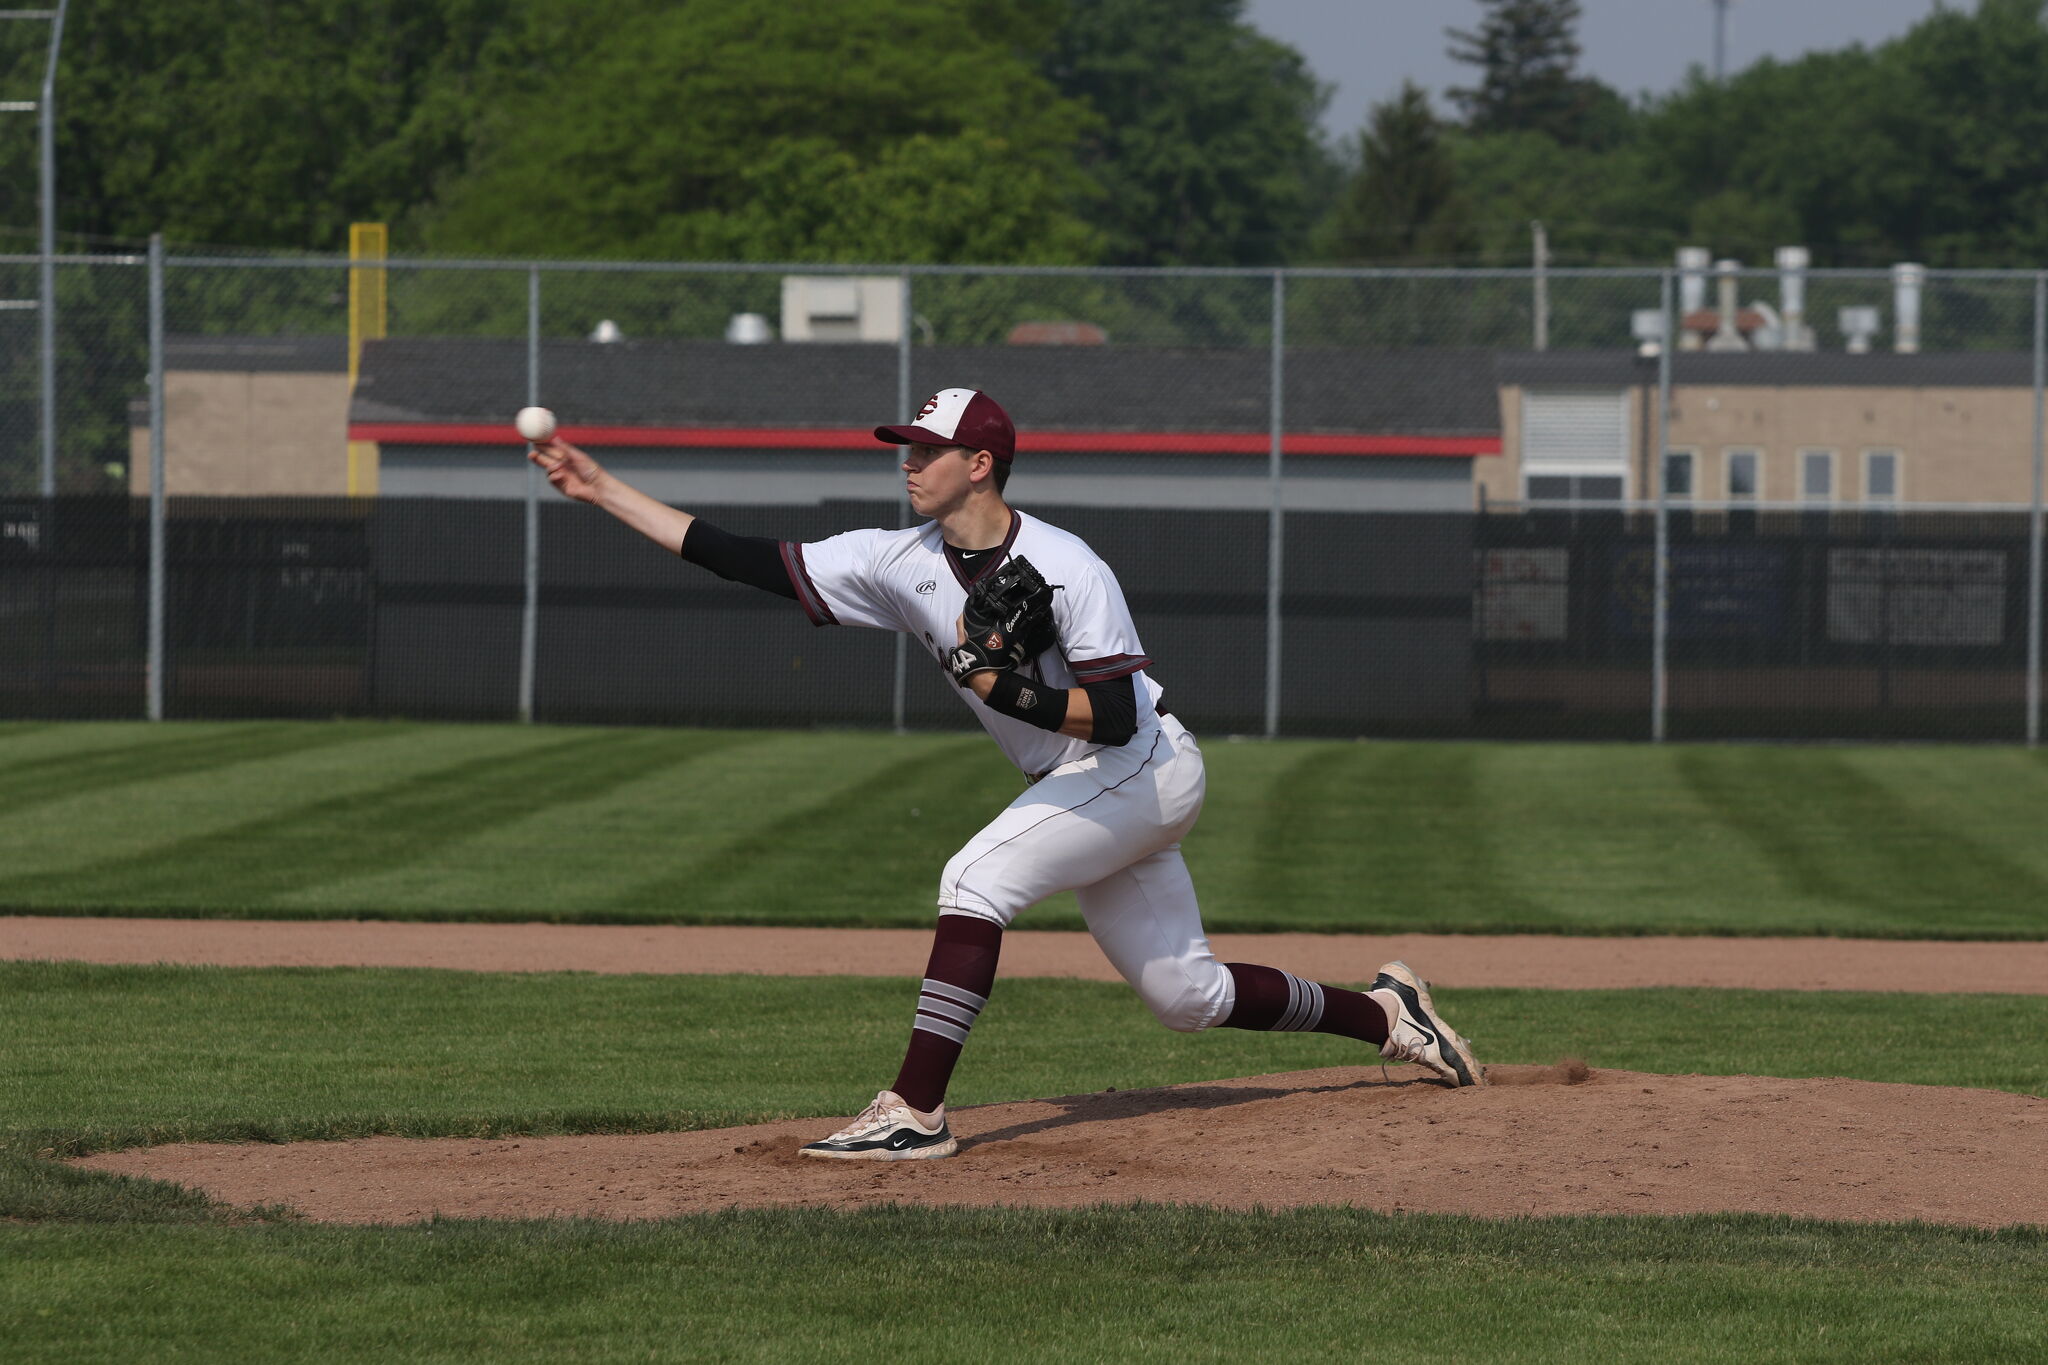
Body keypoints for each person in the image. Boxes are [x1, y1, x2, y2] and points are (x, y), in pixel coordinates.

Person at [529, 387, 1485, 1161]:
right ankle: (1388, 1015)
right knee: (1186, 998)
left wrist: (1007, 687)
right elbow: (743, 559)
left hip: (1141, 766)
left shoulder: (1067, 564)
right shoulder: (896, 560)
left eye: (926, 449)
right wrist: (601, 487)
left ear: (979, 463)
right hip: (1086, 786)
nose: (908, 462)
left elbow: (1118, 714)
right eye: (906, 448)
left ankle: (915, 1110)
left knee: (973, 879)